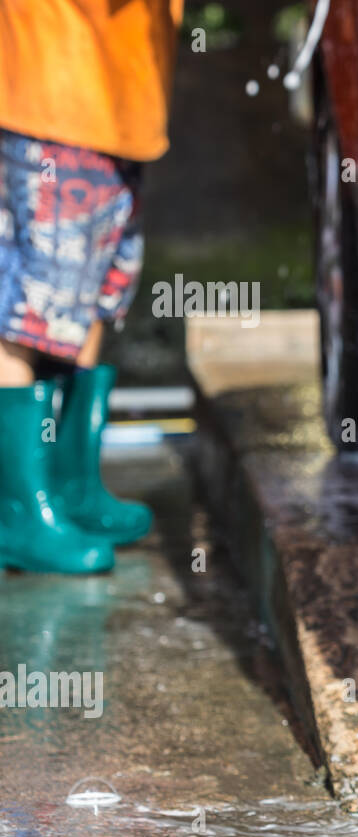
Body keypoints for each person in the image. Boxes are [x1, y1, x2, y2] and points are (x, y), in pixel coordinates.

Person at [0, 0, 184, 573]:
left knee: (97, 299)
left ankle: (69, 489)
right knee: (33, 308)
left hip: (116, 102)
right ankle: (18, 514)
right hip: (53, 92)